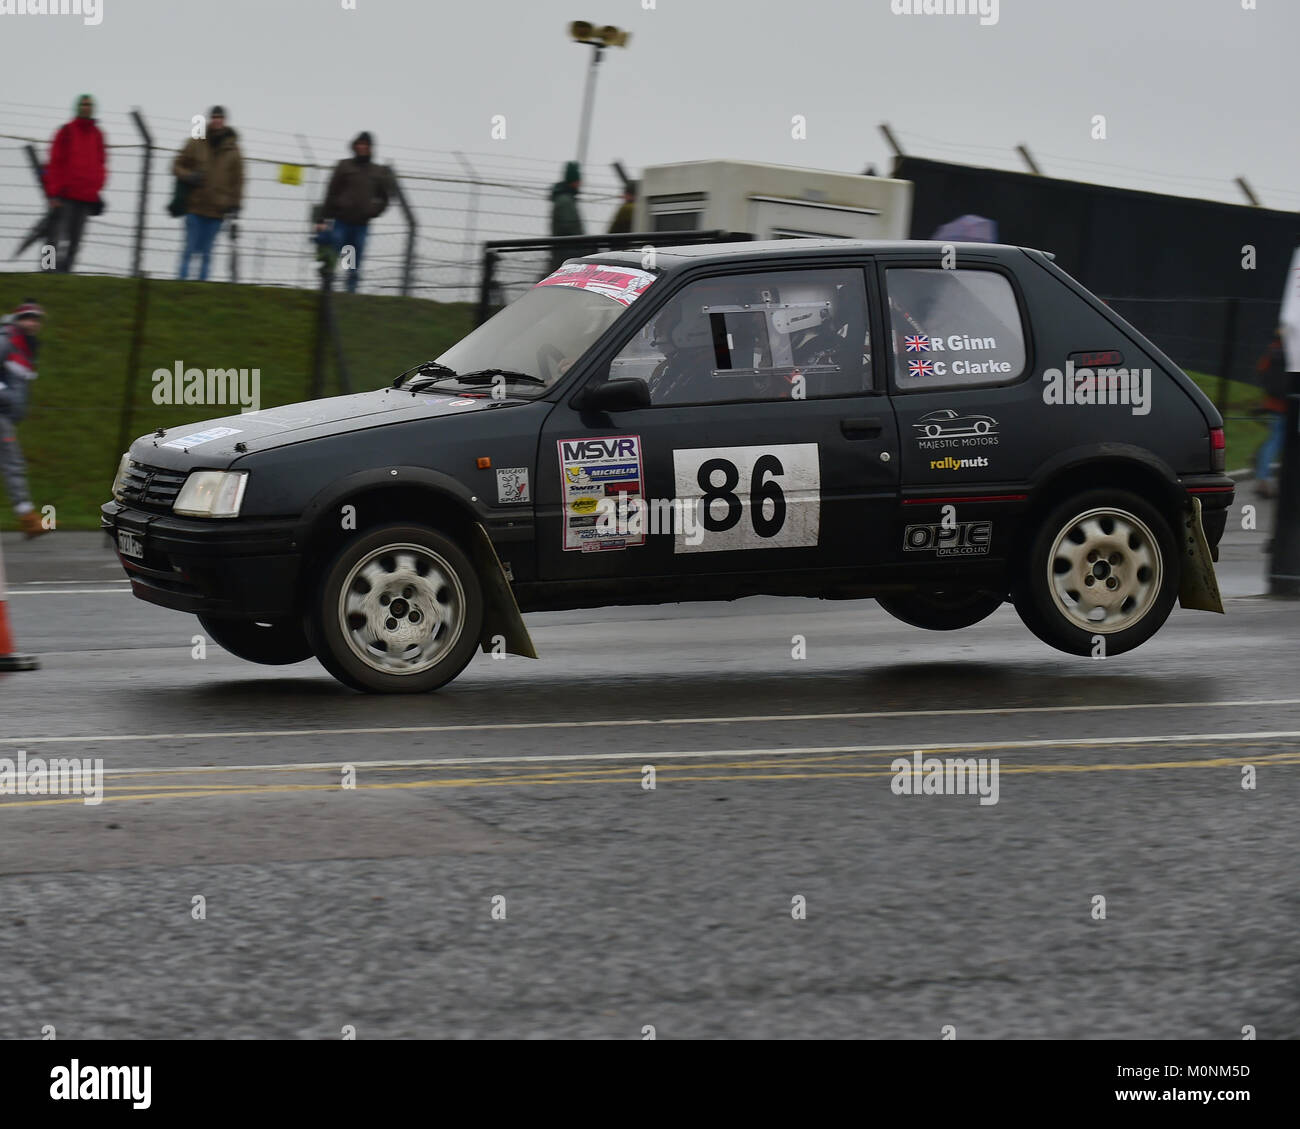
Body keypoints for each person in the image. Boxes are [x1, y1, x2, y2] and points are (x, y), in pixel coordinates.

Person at [316, 131, 392, 293]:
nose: (362, 147)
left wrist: (373, 211)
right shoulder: (344, 166)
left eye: (366, 145)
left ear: (371, 148)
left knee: (351, 259)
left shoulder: (377, 171)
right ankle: (327, 283)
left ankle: (349, 292)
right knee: (334, 249)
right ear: (354, 146)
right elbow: (331, 192)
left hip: (361, 224)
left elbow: (385, 197)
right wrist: (323, 219)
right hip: (341, 221)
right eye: (360, 144)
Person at [173, 106, 243, 281]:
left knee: (207, 253)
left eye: (220, 117)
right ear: (210, 119)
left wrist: (235, 204)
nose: (217, 120)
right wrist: (189, 176)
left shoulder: (233, 150)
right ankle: (180, 285)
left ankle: (202, 287)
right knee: (188, 250)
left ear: (224, 121)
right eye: (214, 117)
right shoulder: (196, 142)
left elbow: (238, 181)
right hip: (195, 207)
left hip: (217, 211)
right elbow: (176, 165)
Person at [0, 301, 48, 539]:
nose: (33, 322)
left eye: (37, 319)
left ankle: (27, 517)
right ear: (18, 319)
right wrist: (5, 395)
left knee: (11, 463)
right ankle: (28, 519)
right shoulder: (6, 339)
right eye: (28, 317)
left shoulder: (25, 345)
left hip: (6, 414)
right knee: (13, 462)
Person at [44, 94, 107, 273]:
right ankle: (47, 269)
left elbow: (101, 162)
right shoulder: (66, 131)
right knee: (54, 236)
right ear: (77, 107)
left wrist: (96, 188)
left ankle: (65, 272)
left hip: (86, 197)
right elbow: (54, 163)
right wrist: (54, 193)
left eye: (89, 105)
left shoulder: (98, 135)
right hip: (65, 194)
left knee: (75, 241)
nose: (86, 107)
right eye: (83, 104)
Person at [1254, 330, 1289, 498]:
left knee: (1274, 439)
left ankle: (1263, 477)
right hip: (1292, 404)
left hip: (1274, 402)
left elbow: (1261, 369)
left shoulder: (1274, 348)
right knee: (1283, 441)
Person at [548, 161, 583, 273]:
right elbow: (570, 227)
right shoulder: (566, 201)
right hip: (567, 254)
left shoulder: (565, 199)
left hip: (562, 252)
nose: (580, 183)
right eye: (578, 180)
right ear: (574, 181)